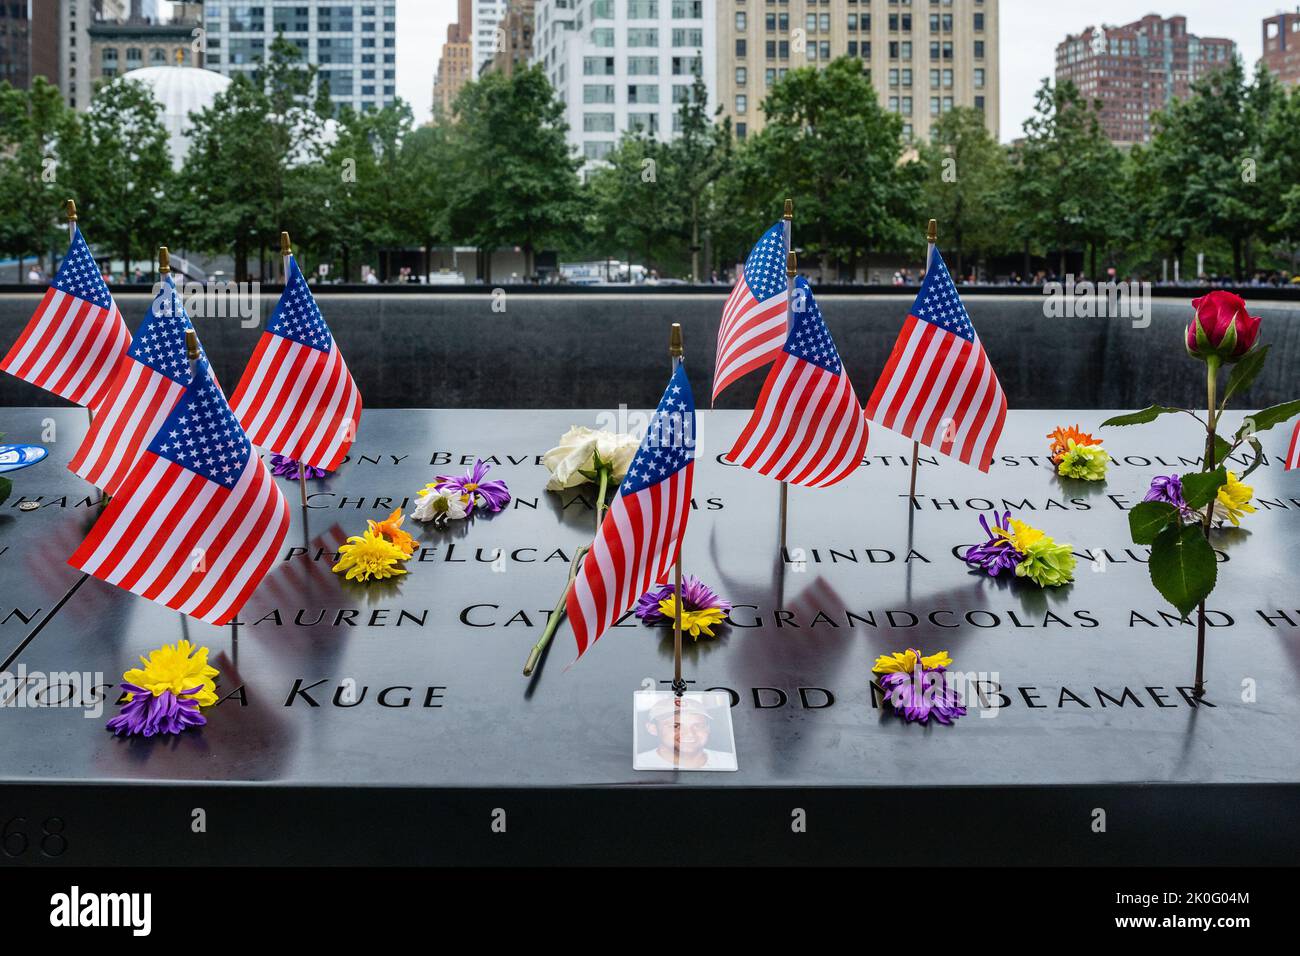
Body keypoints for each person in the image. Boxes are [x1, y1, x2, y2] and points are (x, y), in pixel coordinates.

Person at [636, 695, 735, 770]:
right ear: (652, 729)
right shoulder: (639, 765)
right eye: (676, 726)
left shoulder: (730, 762)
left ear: (708, 729)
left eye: (698, 725)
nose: (690, 734)